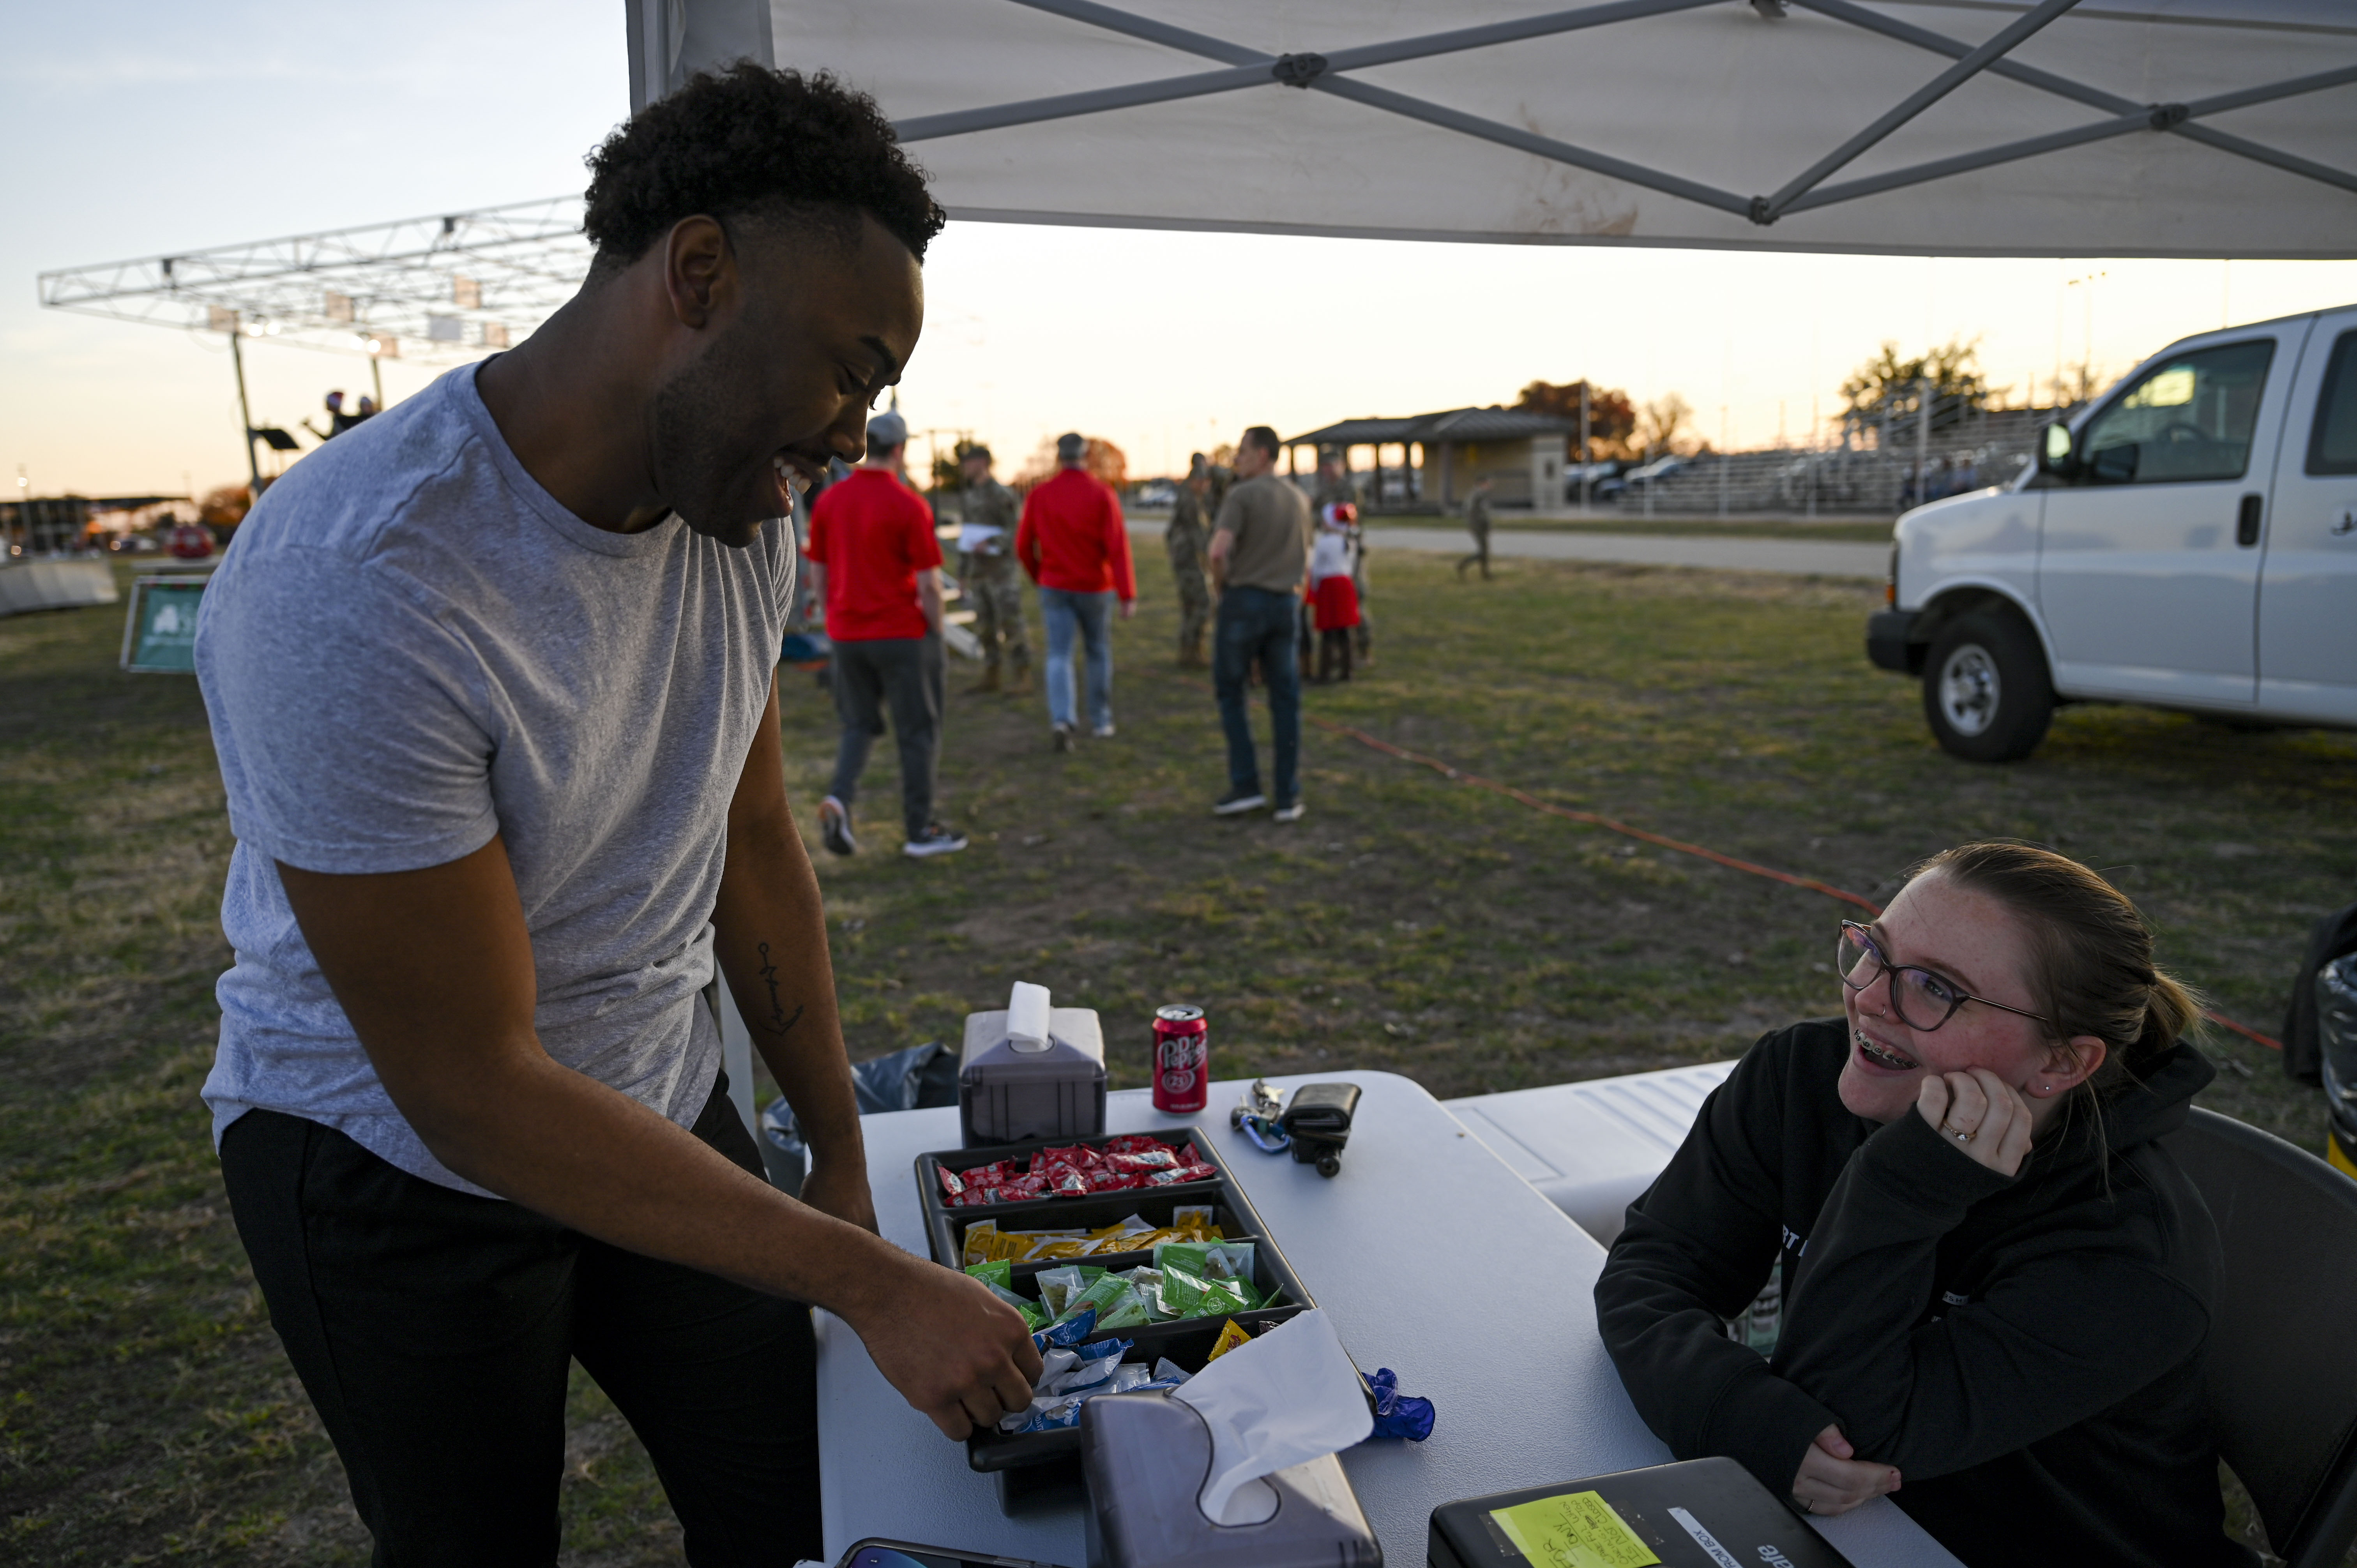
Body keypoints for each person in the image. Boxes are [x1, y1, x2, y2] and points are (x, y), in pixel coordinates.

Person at [189, 66, 1038, 1566]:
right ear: (697, 273)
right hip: (389, 1160)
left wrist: (834, 1157)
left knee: (799, 1504)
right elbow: (470, 1084)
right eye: (849, 370)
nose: (849, 439)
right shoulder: (361, 577)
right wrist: (860, 1275)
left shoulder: (737, 515)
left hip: (661, 1088)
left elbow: (756, 839)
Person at [1595, 841, 2249, 1568]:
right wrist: (1729, 1408)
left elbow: (1854, 1428)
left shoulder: (2125, 1252)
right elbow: (1653, 1263)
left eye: (1935, 988)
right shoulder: (1797, 1079)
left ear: (2061, 1061)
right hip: (1863, 1533)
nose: (1870, 995)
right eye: (1872, 948)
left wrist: (1903, 1186)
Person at [807, 408, 966, 860]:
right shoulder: (908, 504)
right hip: (902, 635)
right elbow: (930, 585)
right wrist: (935, 633)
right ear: (900, 450)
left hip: (847, 634)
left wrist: (834, 614)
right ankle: (920, 829)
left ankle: (840, 799)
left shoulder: (830, 502)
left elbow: (819, 574)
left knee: (858, 724)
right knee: (917, 732)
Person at [1207, 425, 1311, 823]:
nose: (1237, 459)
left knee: (1231, 692)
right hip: (1287, 603)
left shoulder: (1242, 495)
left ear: (1264, 454)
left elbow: (1219, 551)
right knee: (1285, 700)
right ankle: (1288, 795)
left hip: (1244, 599)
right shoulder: (1299, 498)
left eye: (1243, 452)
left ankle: (1247, 784)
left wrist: (1222, 590)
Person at [1015, 431, 1135, 751]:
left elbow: (1023, 545)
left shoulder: (1040, 495)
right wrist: (1127, 594)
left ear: (1059, 457)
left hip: (1055, 585)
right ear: (1086, 456)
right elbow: (1117, 547)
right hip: (1094, 587)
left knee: (1059, 654)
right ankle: (1101, 720)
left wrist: (1039, 576)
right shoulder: (1101, 493)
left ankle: (1062, 719)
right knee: (1097, 652)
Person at [954, 444, 1029, 694]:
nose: (965, 466)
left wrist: (993, 543)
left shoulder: (1002, 494)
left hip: (1001, 572)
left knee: (1011, 623)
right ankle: (992, 675)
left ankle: (1023, 676)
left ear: (983, 462)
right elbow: (966, 536)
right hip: (979, 573)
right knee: (985, 626)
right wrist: (963, 574)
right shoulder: (968, 496)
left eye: (969, 461)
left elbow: (1016, 531)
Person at [1166, 454, 1215, 668]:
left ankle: (1190, 653)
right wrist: (1213, 558)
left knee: (1190, 606)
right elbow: (1199, 535)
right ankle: (1192, 649)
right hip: (1189, 561)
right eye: (1204, 482)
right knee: (1204, 603)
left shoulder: (1189, 497)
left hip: (1184, 559)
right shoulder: (1191, 501)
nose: (1206, 486)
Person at [1309, 503, 1360, 683]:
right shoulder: (1350, 542)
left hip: (1328, 586)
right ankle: (1347, 671)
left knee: (1327, 632)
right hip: (1346, 585)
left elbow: (1316, 568)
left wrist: (1314, 587)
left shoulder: (1324, 542)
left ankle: (1325, 673)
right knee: (1344, 630)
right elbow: (1353, 568)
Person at [1458, 476, 1493, 581]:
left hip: (1481, 526)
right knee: (1483, 551)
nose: (1490, 486)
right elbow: (1471, 511)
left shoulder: (1482, 495)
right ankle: (1463, 565)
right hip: (1478, 526)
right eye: (1488, 483)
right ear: (1482, 484)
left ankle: (1485, 574)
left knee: (1485, 551)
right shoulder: (1476, 495)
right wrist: (1478, 524)